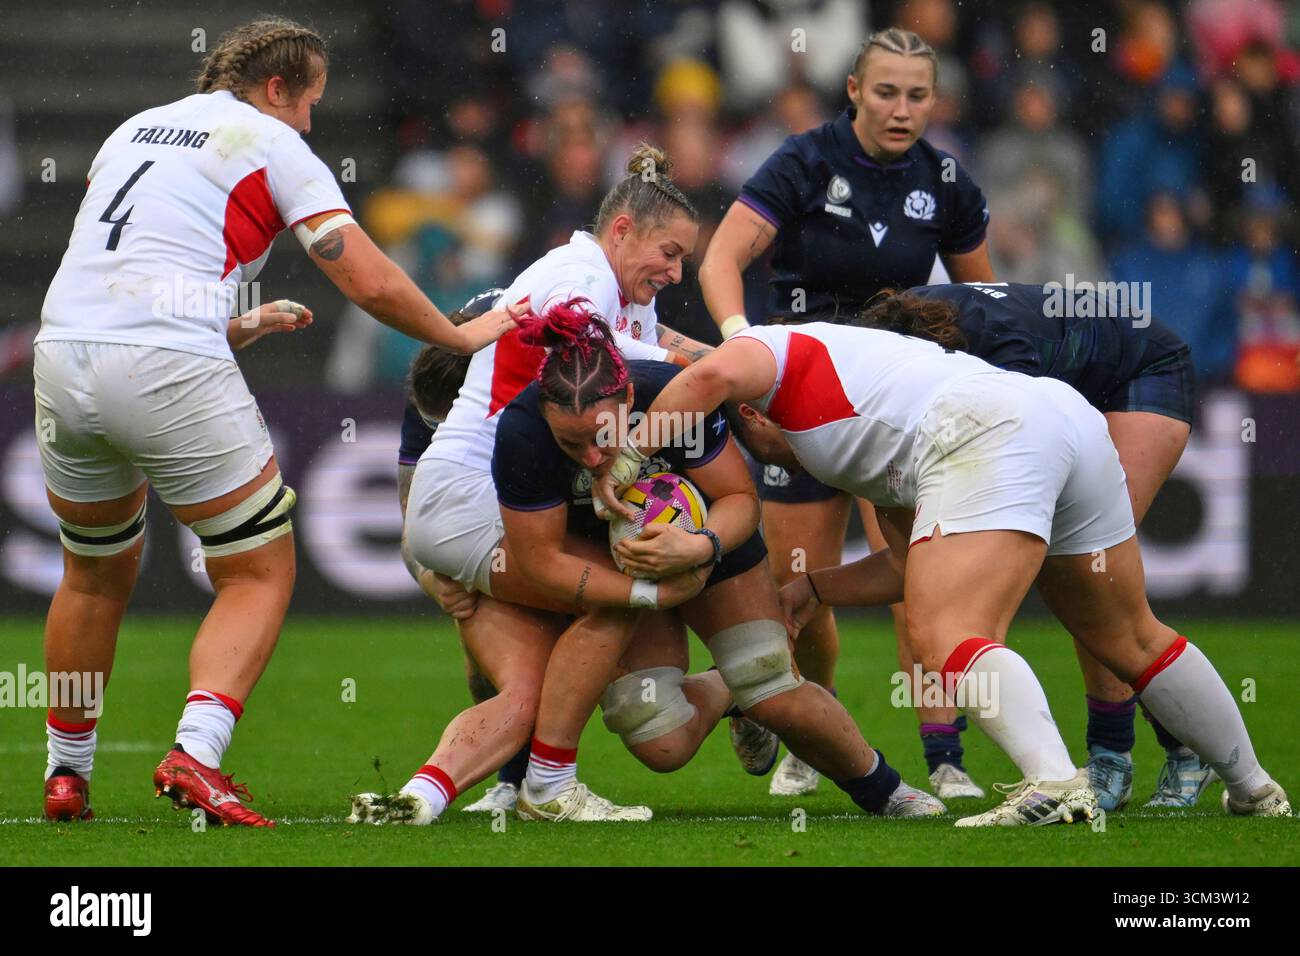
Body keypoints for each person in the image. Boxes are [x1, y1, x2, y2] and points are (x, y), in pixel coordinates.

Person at [34, 18, 518, 828]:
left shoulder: (129, 131)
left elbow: (126, 269)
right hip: (164, 365)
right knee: (257, 570)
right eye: (310, 103)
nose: (311, 123)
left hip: (64, 351)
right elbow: (362, 272)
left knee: (90, 575)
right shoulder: (268, 139)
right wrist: (456, 334)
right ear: (276, 87)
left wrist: (227, 325)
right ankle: (195, 753)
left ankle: (65, 773)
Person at [594, 321, 1292, 826]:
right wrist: (812, 587)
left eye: (760, 447)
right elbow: (907, 564)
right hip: (1062, 420)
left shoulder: (769, 351)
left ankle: (1053, 783)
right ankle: (1254, 787)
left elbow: (709, 373)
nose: (777, 465)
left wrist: (621, 466)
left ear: (747, 413)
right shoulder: (873, 424)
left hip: (986, 426)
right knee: (1132, 636)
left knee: (945, 631)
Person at [447, 308, 942, 822]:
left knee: (769, 684)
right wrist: (646, 594)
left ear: (632, 401)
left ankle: (885, 790)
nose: (592, 458)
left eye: (602, 436)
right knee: (660, 738)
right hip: (621, 568)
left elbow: (739, 501)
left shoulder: (674, 397)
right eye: (572, 444)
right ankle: (727, 690)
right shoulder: (523, 432)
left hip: (713, 544)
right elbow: (538, 560)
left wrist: (700, 546)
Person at [353, 145, 714, 823]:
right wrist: (717, 375)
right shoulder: (578, 275)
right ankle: (549, 787)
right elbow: (591, 344)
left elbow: (639, 338)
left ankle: (416, 799)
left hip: (458, 504)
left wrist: (714, 359)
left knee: (524, 693)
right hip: (471, 500)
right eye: (669, 253)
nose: (676, 270)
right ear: (622, 231)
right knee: (616, 597)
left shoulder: (609, 288)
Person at [697, 27, 994, 799]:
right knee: (800, 581)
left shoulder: (949, 180)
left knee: (920, 578)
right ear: (855, 90)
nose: (902, 109)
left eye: (917, 95)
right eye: (886, 92)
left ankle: (946, 758)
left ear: (936, 99)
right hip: (800, 396)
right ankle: (810, 731)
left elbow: (982, 302)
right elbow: (721, 260)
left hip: (899, 397)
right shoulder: (803, 160)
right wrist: (740, 350)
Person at [854, 282, 1212, 810]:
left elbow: (1022, 444)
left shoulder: (998, 350)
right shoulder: (910, 326)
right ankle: (1121, 753)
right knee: (1072, 575)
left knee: (1090, 574)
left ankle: (1156, 750)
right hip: (1073, 379)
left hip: (1142, 371)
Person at [396, 289, 530, 814]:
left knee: (641, 705)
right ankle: (517, 783)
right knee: (484, 663)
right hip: (497, 513)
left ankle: (743, 690)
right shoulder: (429, 390)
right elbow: (412, 516)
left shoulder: (536, 376)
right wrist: (434, 579)